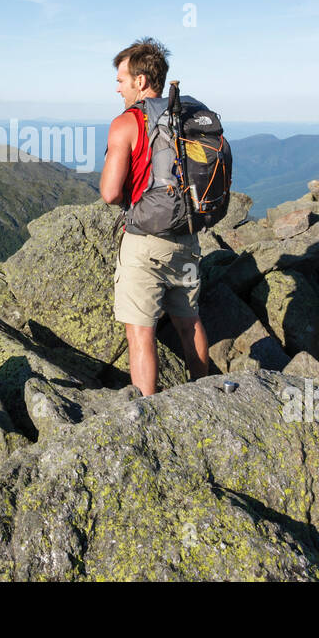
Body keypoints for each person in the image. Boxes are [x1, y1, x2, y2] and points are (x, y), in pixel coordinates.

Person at [99, 38, 211, 397]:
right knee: (188, 322)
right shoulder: (188, 118)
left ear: (142, 81)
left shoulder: (126, 123)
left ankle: (147, 413)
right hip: (188, 236)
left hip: (146, 242)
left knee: (140, 331)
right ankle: (205, 394)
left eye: (122, 79)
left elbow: (110, 192)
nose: (117, 87)